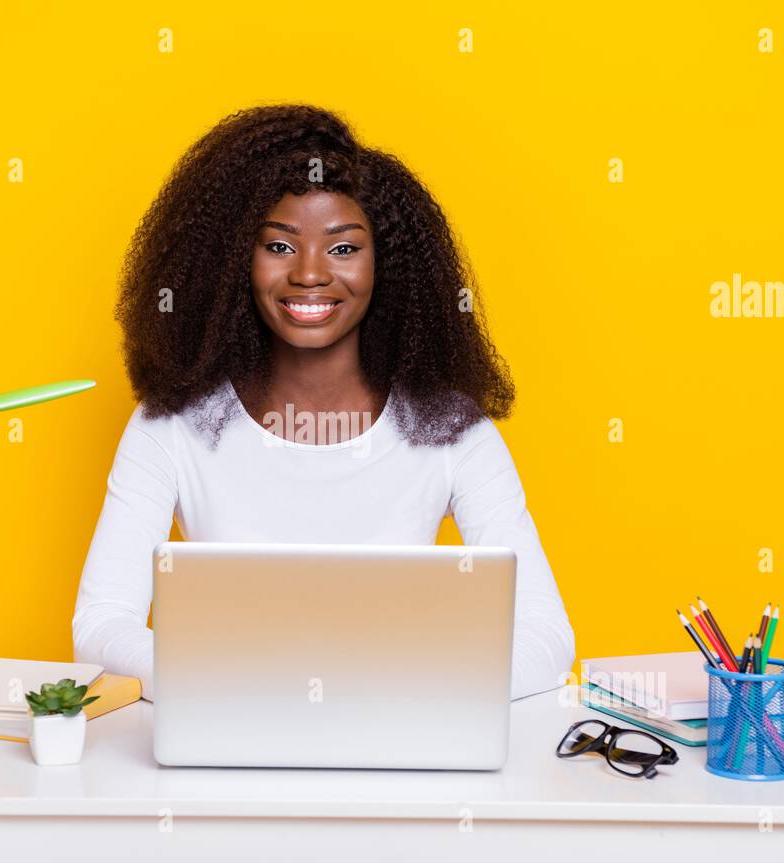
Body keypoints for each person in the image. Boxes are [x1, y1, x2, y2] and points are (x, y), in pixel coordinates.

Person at [73, 104, 573, 701]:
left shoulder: (452, 431)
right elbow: (101, 627)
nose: (310, 274)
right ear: (235, 261)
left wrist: (408, 691)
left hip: (397, 742)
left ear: (387, 266)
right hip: (229, 743)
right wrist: (242, 685)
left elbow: (546, 637)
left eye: (342, 250)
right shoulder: (172, 426)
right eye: (279, 246)